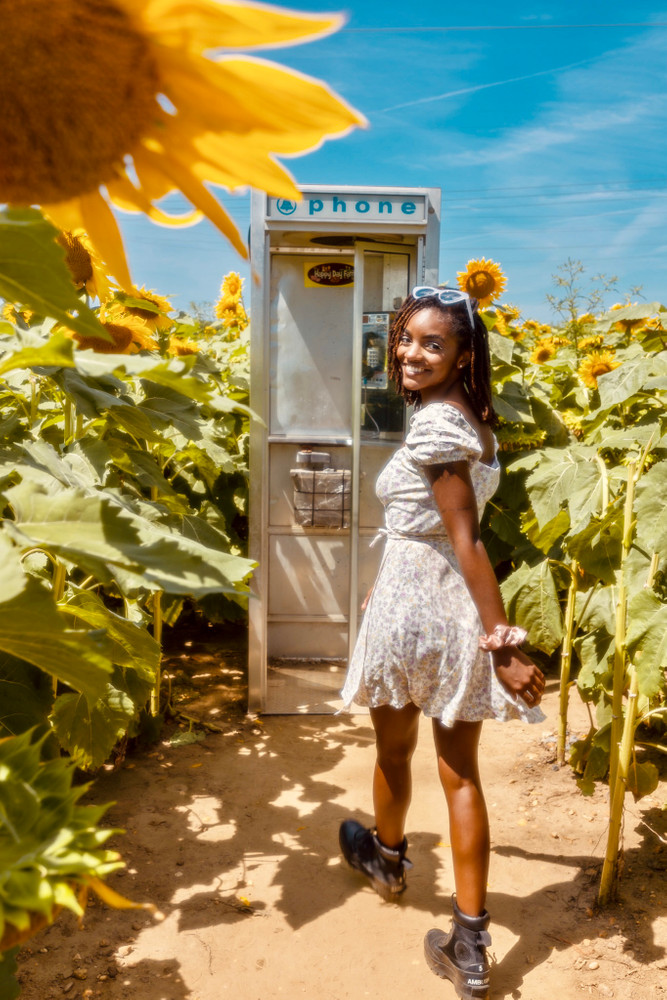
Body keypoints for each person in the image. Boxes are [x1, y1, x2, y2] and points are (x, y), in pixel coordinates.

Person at [339, 286, 546, 1000]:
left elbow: (465, 539)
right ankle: (470, 941)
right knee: (459, 774)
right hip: (436, 608)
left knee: (394, 751)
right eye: (405, 339)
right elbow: (430, 529)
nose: (411, 353)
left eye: (433, 343)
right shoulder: (469, 420)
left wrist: (505, 644)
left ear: (463, 354)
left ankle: (386, 861)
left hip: (420, 618)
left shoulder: (434, 428)